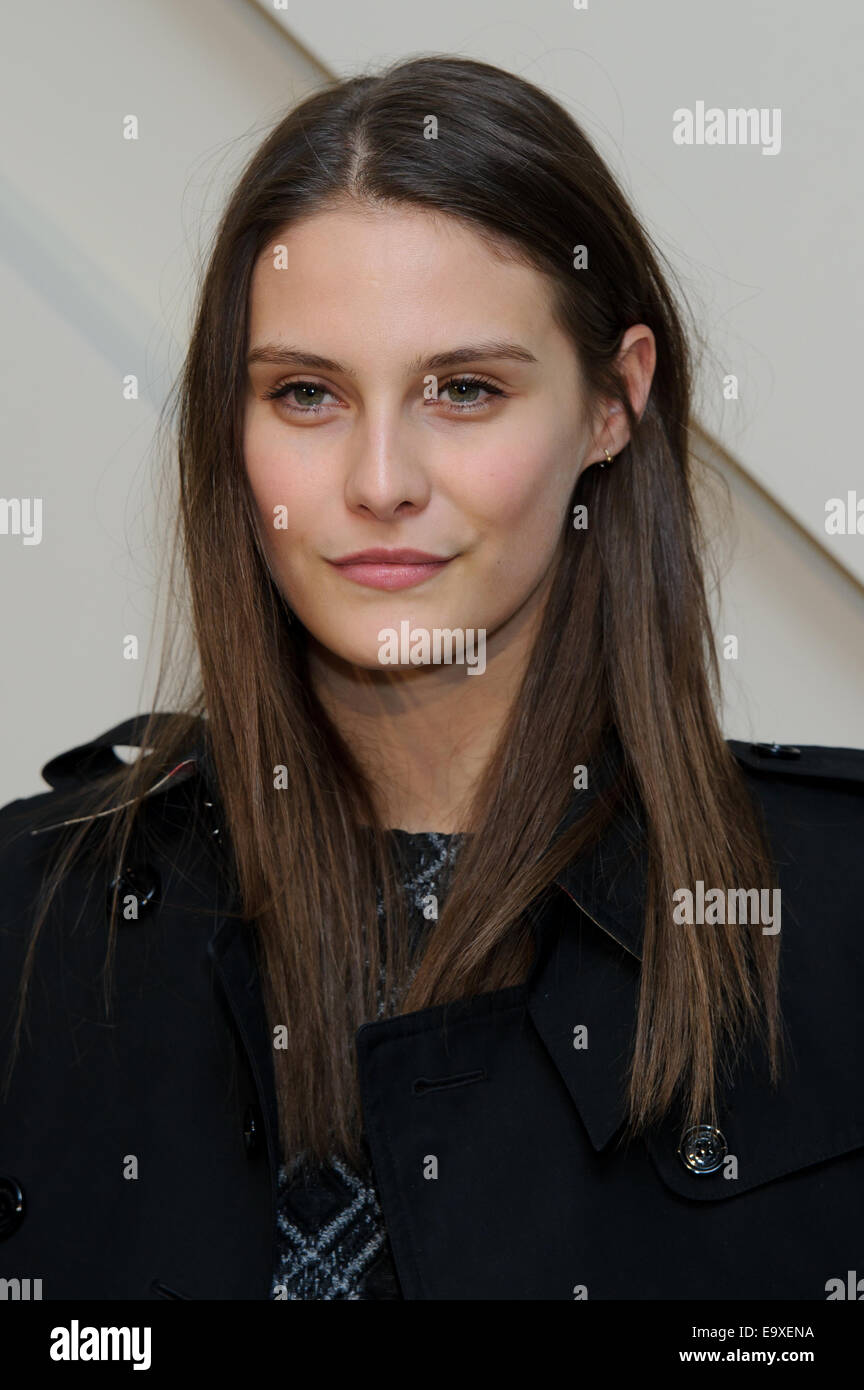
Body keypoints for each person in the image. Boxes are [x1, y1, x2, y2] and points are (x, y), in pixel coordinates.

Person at [1, 54, 862, 1302]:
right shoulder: (31, 924)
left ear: (615, 401)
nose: (381, 477)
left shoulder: (831, 922)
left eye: (464, 389)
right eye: (307, 393)